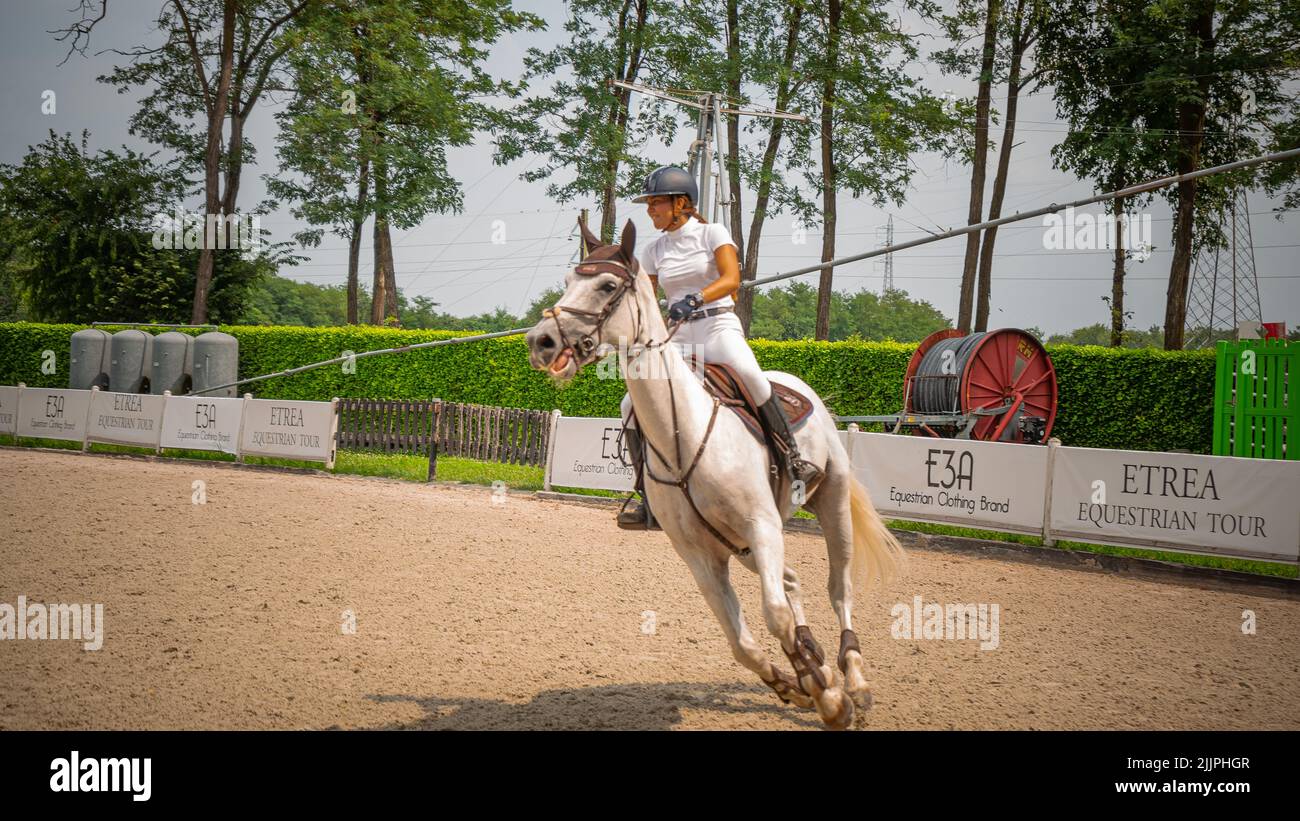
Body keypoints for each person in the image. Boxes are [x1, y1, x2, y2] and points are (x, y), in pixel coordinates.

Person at [617, 165, 822, 530]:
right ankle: (645, 497)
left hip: (717, 326)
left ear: (681, 203)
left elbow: (731, 280)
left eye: (656, 203)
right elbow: (646, 297)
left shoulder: (712, 233)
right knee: (630, 402)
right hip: (678, 337)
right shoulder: (653, 250)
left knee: (751, 377)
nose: (650, 211)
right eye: (649, 205)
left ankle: (793, 460)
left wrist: (695, 298)